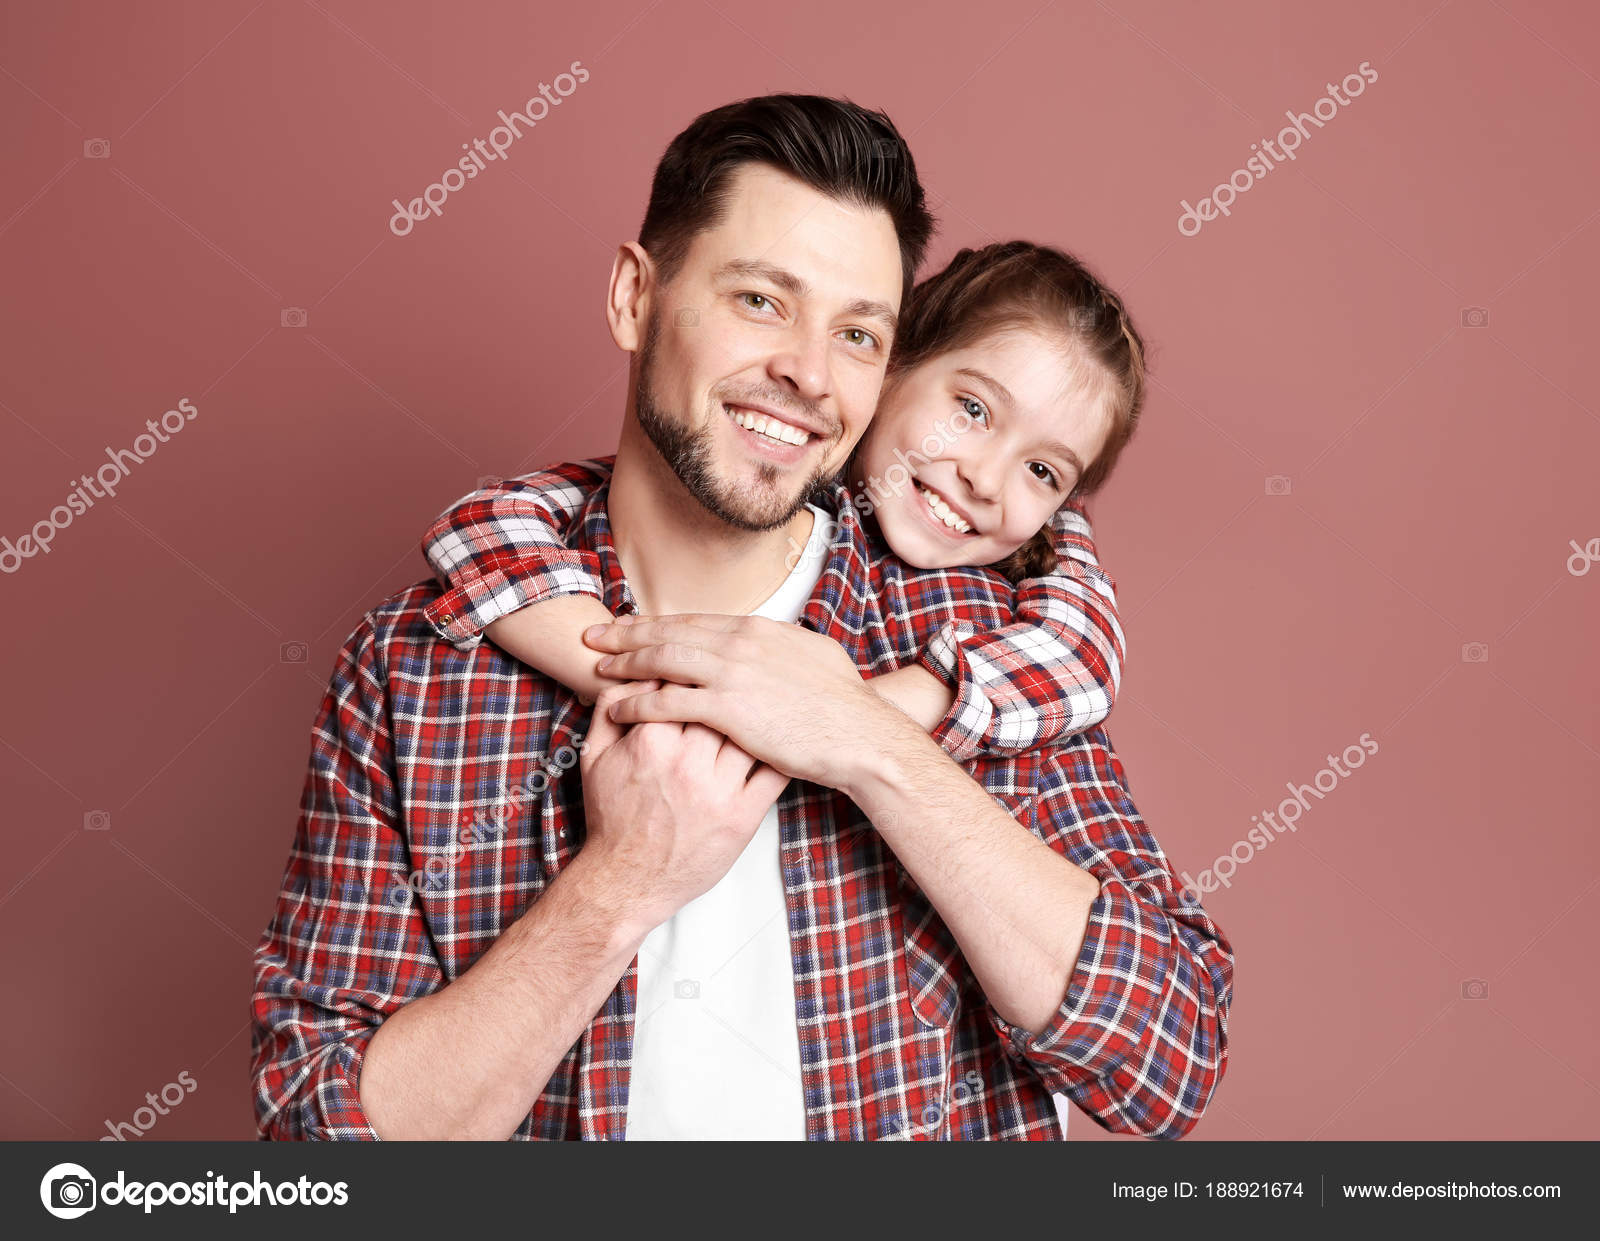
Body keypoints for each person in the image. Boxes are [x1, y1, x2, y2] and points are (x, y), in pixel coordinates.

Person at [251, 93, 1233, 1141]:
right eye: (762, 300)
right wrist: (618, 883)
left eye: (857, 333)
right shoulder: (420, 669)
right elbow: (320, 1144)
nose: (808, 372)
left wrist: (869, 744)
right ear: (636, 297)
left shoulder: (977, 647)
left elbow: (1168, 1060)